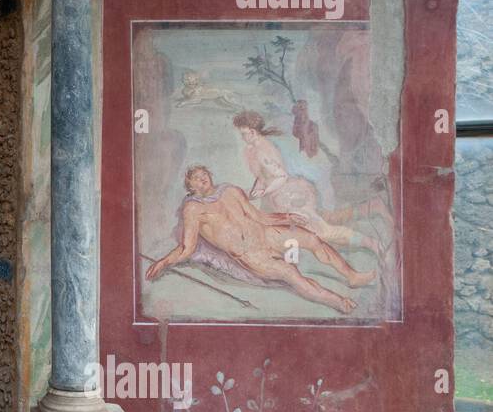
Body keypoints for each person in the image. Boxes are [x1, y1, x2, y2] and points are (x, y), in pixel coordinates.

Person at [146, 165, 374, 315]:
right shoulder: (193, 209)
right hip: (251, 254)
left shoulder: (231, 191)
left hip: (267, 234)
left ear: (210, 175)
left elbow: (258, 216)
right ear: (190, 186)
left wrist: (286, 217)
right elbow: (187, 247)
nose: (201, 177)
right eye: (195, 177)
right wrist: (163, 263)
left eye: (203, 173)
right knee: (290, 274)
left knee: (313, 240)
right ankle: (336, 301)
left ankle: (352, 276)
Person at [233, 110, 384, 256]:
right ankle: (369, 210)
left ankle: (371, 243)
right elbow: (263, 175)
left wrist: (264, 192)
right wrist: (256, 191)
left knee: (322, 231)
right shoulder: (251, 149)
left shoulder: (263, 151)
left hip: (288, 195)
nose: (243, 137)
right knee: (281, 230)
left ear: (252, 132)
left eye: (244, 133)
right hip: (274, 197)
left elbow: (281, 176)